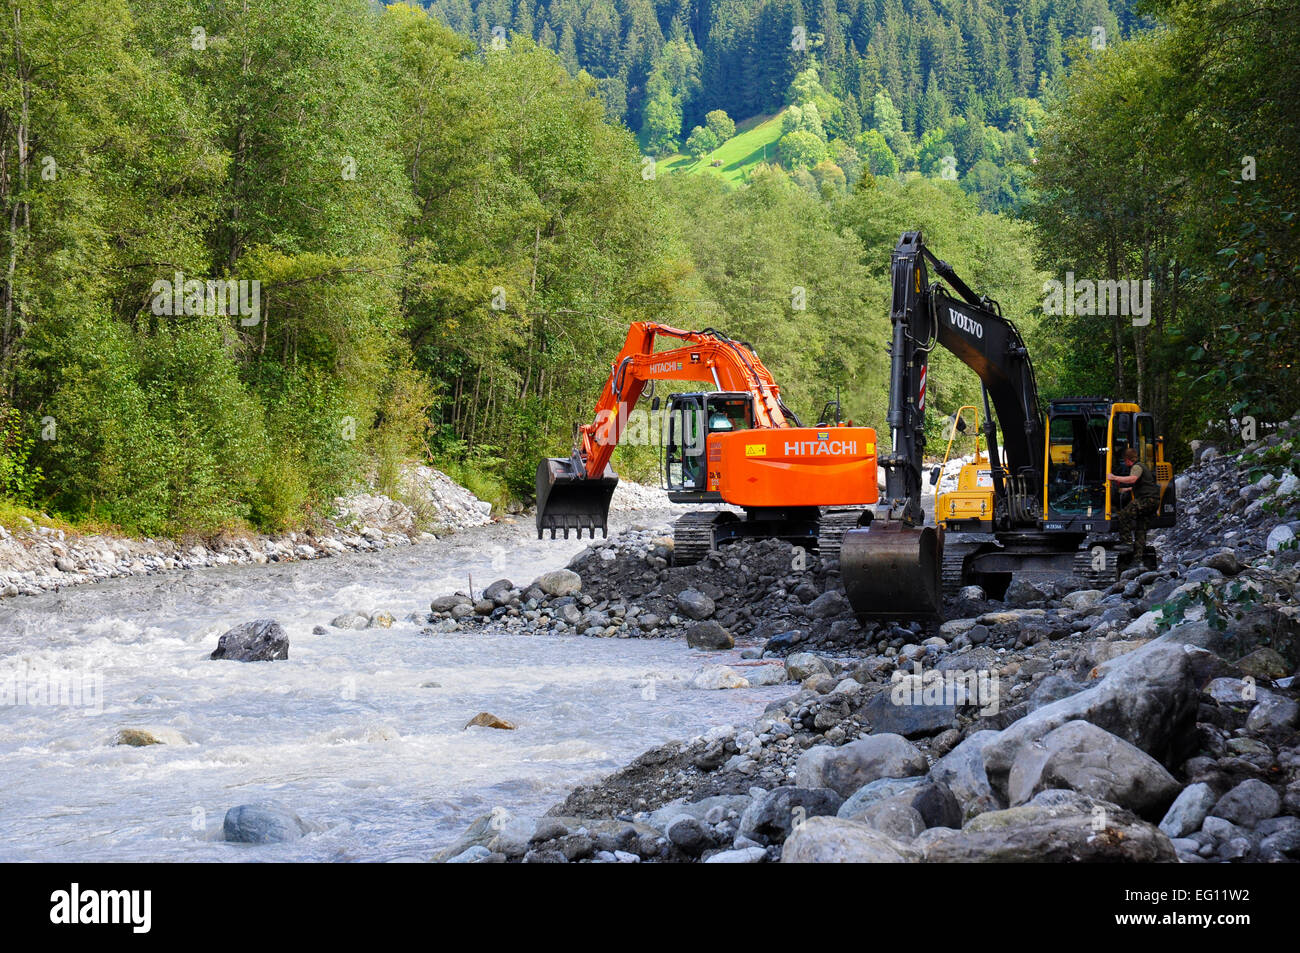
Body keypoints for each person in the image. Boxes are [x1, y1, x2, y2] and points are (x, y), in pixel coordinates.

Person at [1107, 447, 1159, 551]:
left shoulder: (1136, 467)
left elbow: (1132, 479)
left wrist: (1114, 477)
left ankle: (1127, 542)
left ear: (1127, 459)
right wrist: (1126, 489)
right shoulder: (1142, 466)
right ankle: (1139, 558)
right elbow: (1141, 484)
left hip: (1147, 500)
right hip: (1153, 501)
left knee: (1124, 514)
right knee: (1140, 528)